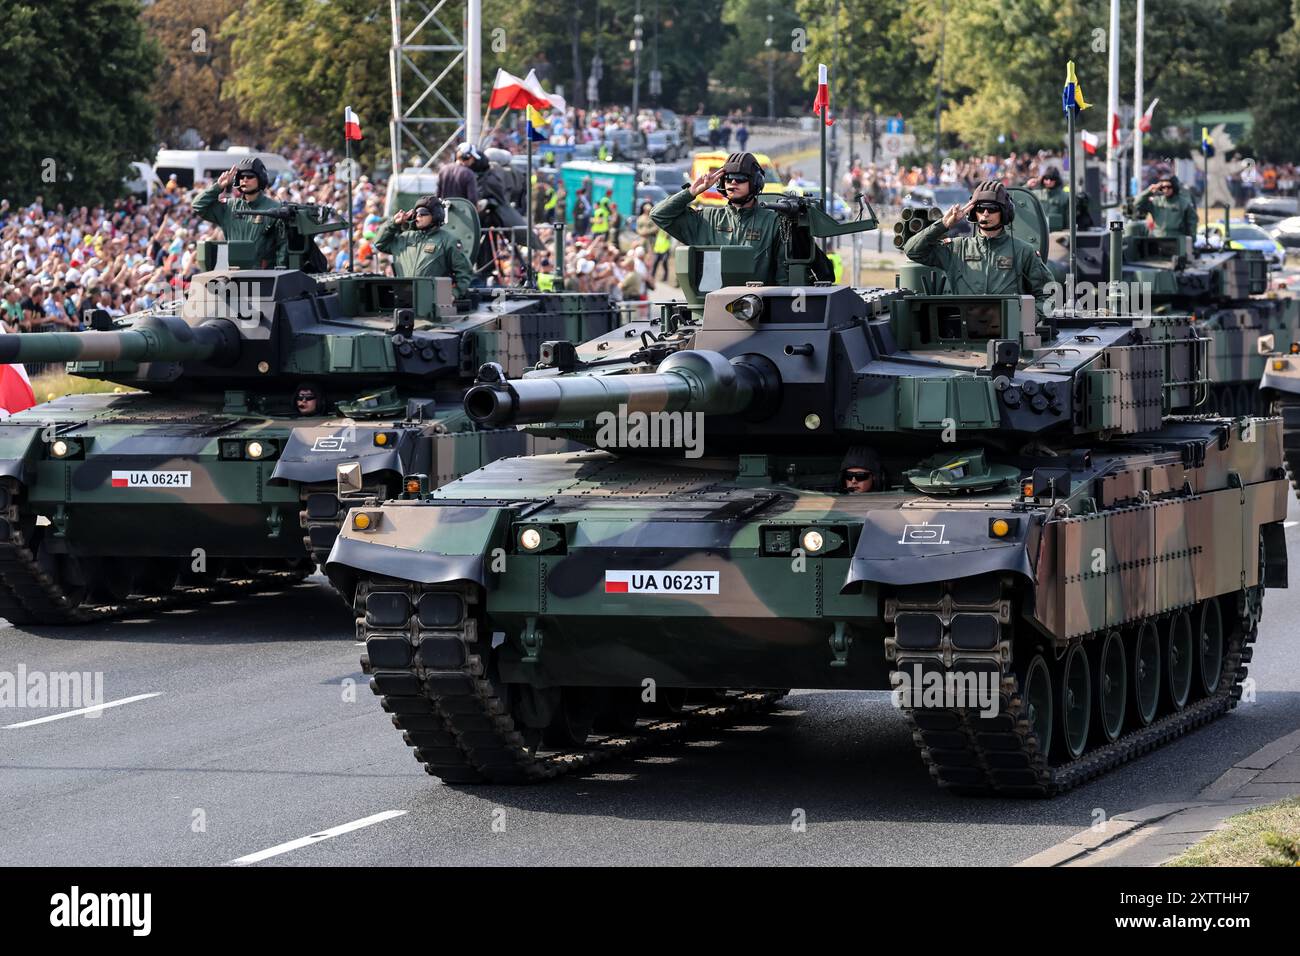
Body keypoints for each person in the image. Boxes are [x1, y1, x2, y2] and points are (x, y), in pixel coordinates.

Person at [903, 179, 1053, 310]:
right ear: (974, 213)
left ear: (1005, 213)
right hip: (965, 334)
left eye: (992, 209)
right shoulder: (957, 249)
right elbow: (913, 251)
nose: (986, 214)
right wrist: (943, 224)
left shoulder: (1023, 252)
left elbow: (1049, 294)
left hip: (1009, 335)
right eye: (981, 209)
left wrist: (1026, 319)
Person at [650, 151, 788, 285]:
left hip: (757, 304)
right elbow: (659, 214)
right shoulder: (707, 219)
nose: (733, 182)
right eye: (728, 178)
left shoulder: (774, 222)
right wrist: (691, 192)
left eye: (740, 178)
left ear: (756, 182)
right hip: (712, 302)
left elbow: (784, 276)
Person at [191, 157, 288, 268]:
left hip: (263, 275)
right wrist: (218, 187)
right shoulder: (229, 207)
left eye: (250, 176)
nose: (245, 180)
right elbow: (198, 205)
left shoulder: (274, 208)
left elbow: (282, 245)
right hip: (233, 273)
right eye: (241, 177)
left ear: (260, 178)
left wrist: (279, 272)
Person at [373, 196, 472, 297]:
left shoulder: (448, 241)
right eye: (416, 213)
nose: (418, 216)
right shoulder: (404, 238)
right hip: (403, 299)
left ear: (435, 215)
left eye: (423, 213)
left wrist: (453, 294)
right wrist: (393, 223)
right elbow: (380, 244)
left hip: (432, 301)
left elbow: (464, 273)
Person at [1133, 171, 1198, 239]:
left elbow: (1192, 222)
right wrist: (1149, 191)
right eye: (1163, 187)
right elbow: (1136, 204)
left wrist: (1192, 240)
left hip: (1177, 240)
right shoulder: (1156, 201)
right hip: (1157, 238)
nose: (1166, 189)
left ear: (1174, 186)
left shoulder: (1183, 203)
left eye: (1168, 187)